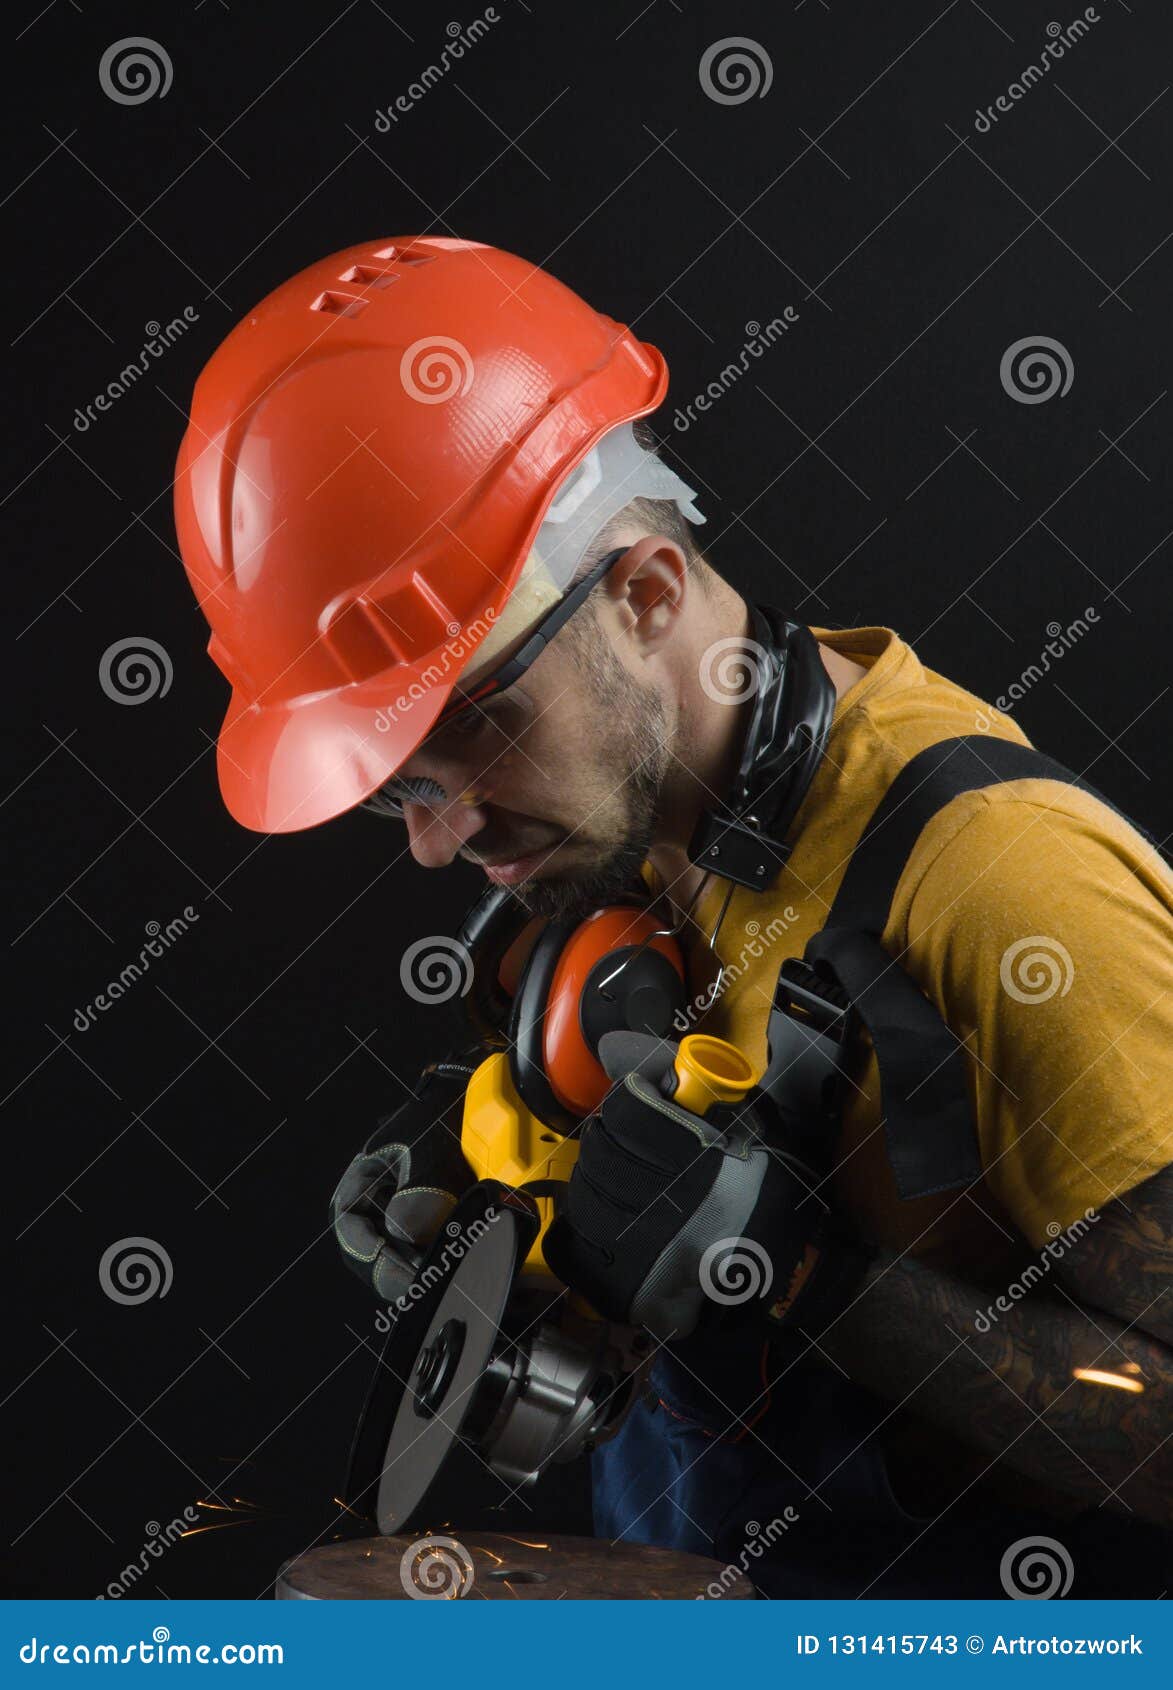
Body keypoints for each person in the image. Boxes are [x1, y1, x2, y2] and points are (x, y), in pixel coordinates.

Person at [174, 236, 1173, 1597]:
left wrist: (813, 1285)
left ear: (643, 593)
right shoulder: (625, 861)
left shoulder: (1002, 884)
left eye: (472, 727)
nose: (433, 836)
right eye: (390, 784)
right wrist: (506, 1245)